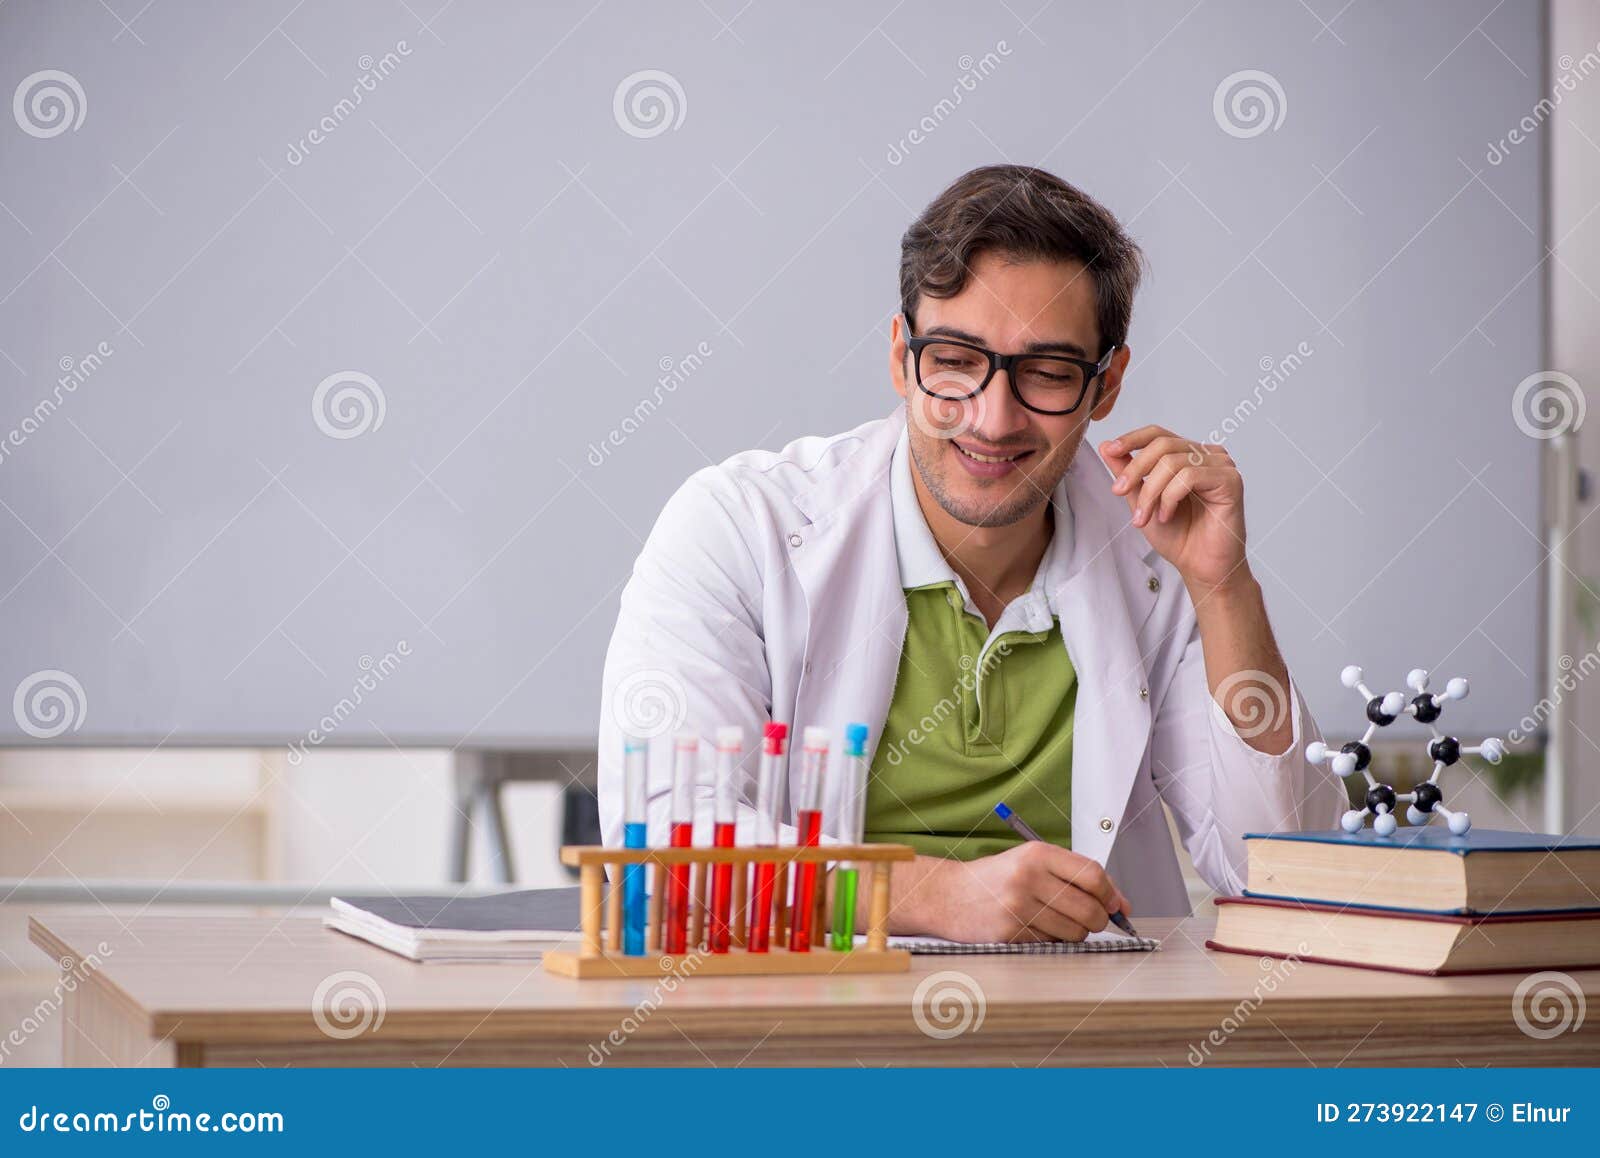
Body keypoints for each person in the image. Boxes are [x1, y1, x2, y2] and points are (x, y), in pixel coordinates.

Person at [598, 164, 1344, 942]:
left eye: (1047, 374)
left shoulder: (1155, 548)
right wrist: (935, 894)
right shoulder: (739, 527)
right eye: (955, 362)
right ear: (902, 358)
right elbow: (664, 849)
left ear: (1106, 385)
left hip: (1087, 1012)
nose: (993, 420)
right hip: (816, 1007)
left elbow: (1286, 874)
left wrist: (1225, 587)